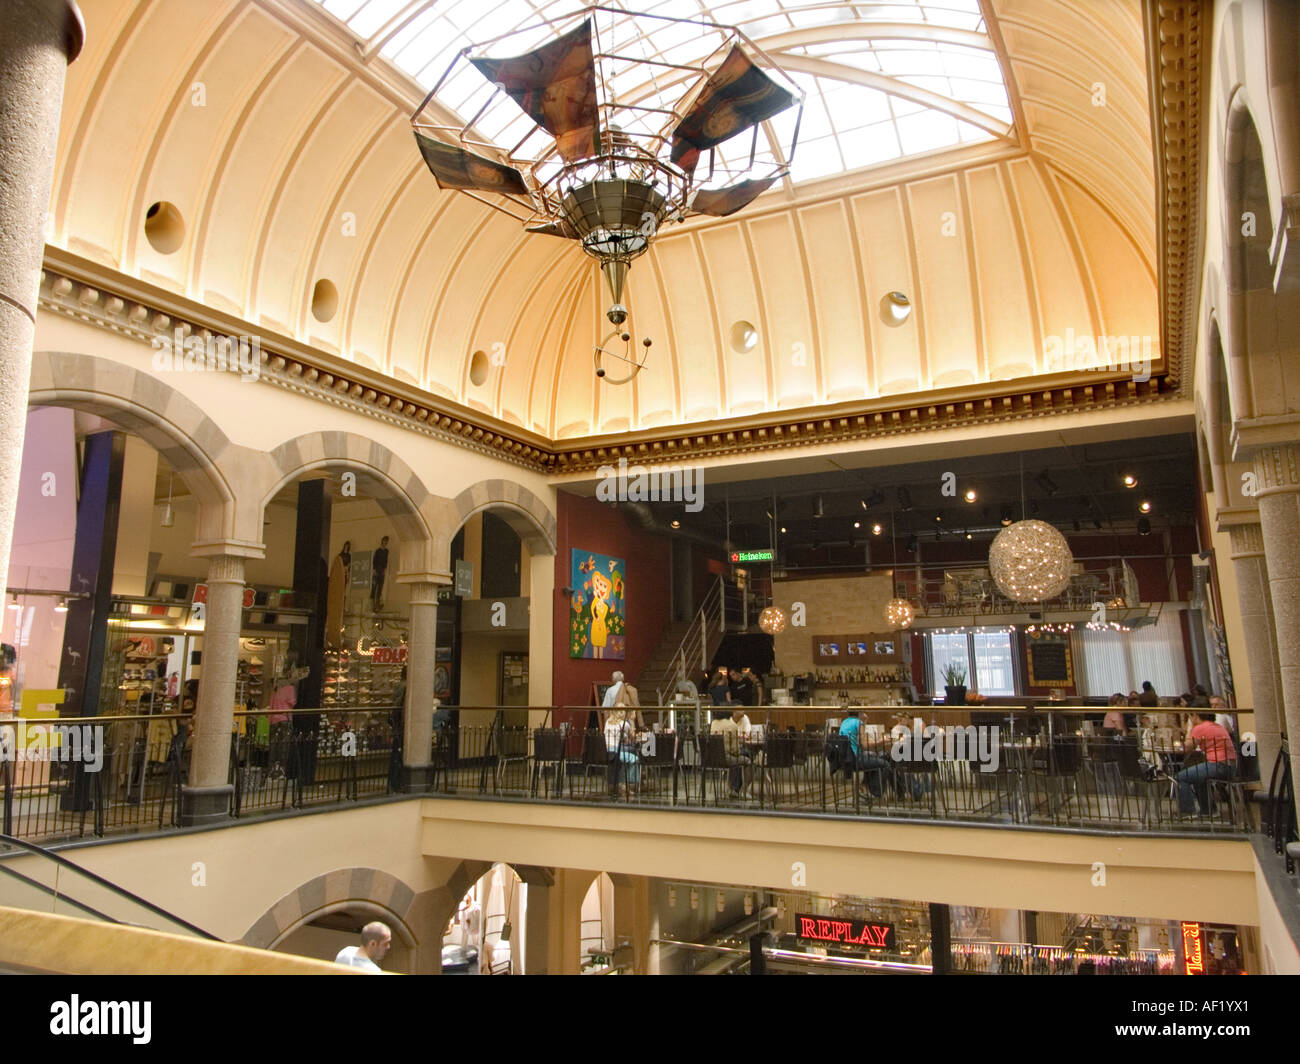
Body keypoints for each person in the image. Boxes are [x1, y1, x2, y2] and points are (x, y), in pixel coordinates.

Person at [1176, 712, 1238, 816]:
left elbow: (1188, 747)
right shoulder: (1217, 726)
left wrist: (1190, 729)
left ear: (1195, 715)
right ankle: (1208, 810)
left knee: (1181, 777)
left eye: (1190, 716)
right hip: (1230, 766)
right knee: (1198, 777)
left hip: (1217, 765)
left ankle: (1187, 812)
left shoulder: (1200, 728)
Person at [838, 710, 891, 798]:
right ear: (860, 712)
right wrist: (881, 741)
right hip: (855, 759)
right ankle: (876, 794)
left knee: (876, 758)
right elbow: (865, 745)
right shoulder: (858, 722)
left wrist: (864, 721)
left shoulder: (845, 721)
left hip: (846, 759)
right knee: (885, 764)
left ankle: (865, 785)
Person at [604, 707, 641, 797]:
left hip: (607, 753)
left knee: (625, 757)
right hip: (616, 753)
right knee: (635, 758)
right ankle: (629, 785)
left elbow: (623, 738)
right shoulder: (623, 723)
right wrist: (632, 721)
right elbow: (631, 738)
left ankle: (621, 783)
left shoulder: (607, 722)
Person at [371, 535, 389, 610]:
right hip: (377, 570)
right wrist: (374, 570)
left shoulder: (386, 551)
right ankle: (372, 604)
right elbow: (374, 561)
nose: (385, 542)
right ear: (382, 541)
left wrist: (384, 569)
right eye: (384, 541)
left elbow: (386, 561)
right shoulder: (378, 551)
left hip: (382, 570)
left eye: (386, 541)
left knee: (380, 588)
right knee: (374, 587)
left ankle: (377, 604)